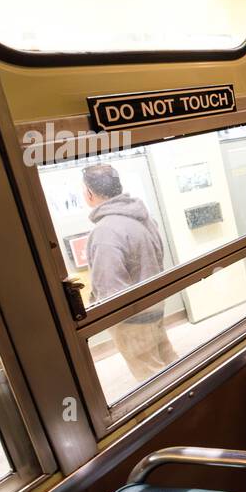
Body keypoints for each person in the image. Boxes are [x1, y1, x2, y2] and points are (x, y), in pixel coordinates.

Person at [82, 162, 178, 382]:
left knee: (151, 376)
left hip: (131, 318)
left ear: (89, 193)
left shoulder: (105, 231)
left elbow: (109, 288)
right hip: (154, 305)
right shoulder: (142, 216)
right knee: (169, 360)